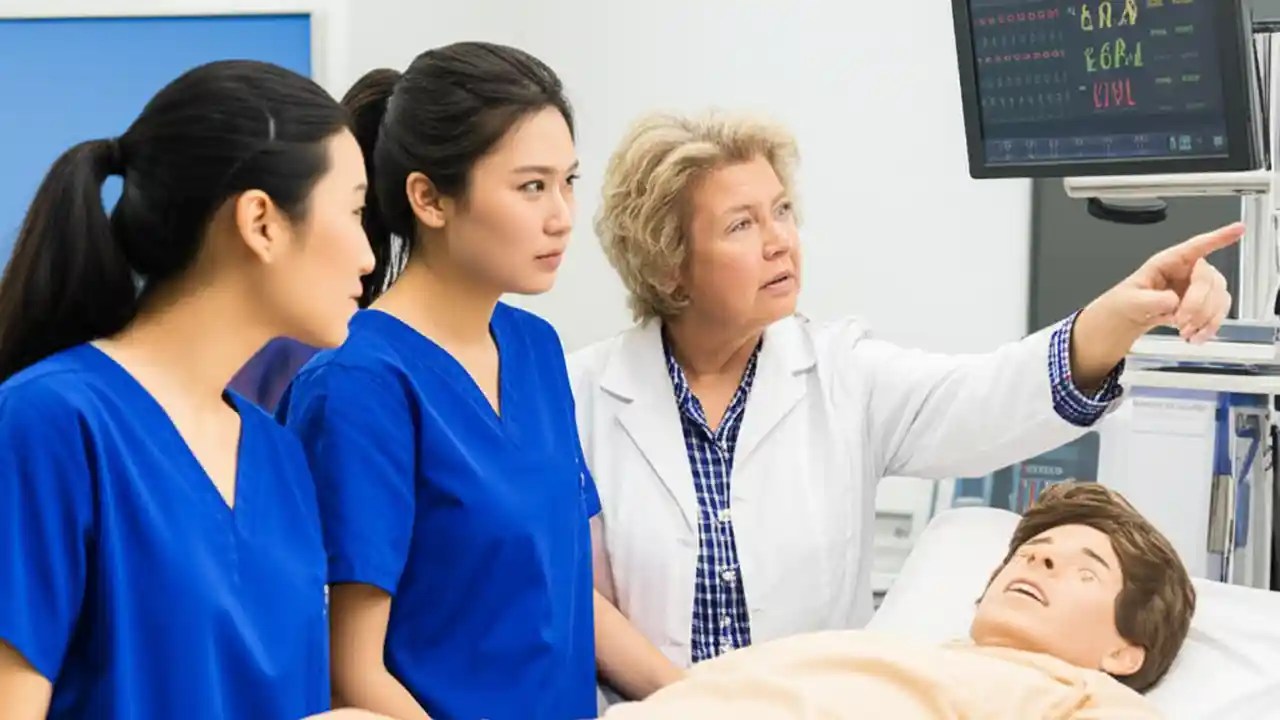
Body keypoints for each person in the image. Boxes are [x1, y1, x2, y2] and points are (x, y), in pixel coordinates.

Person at [568, 110, 1236, 671]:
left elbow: (989, 397)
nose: (781, 242)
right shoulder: (579, 395)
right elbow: (566, 597)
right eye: (741, 225)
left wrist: (1122, 313)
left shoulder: (844, 375)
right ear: (670, 264)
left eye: (782, 210)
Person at [276, 41, 678, 720]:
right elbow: (352, 675)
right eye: (531, 186)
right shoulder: (358, 387)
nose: (561, 216)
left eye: (568, 181)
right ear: (429, 198)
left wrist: (699, 696)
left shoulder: (536, 349)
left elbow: (565, 593)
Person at [0, 60, 380, 720]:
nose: (369, 256)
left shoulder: (279, 456)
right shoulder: (52, 424)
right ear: (261, 221)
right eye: (353, 211)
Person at [599, 482, 1196, 719]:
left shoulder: (1089, 699)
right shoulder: (892, 655)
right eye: (1035, 549)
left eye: (1084, 573)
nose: (1039, 558)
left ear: (1125, 652)